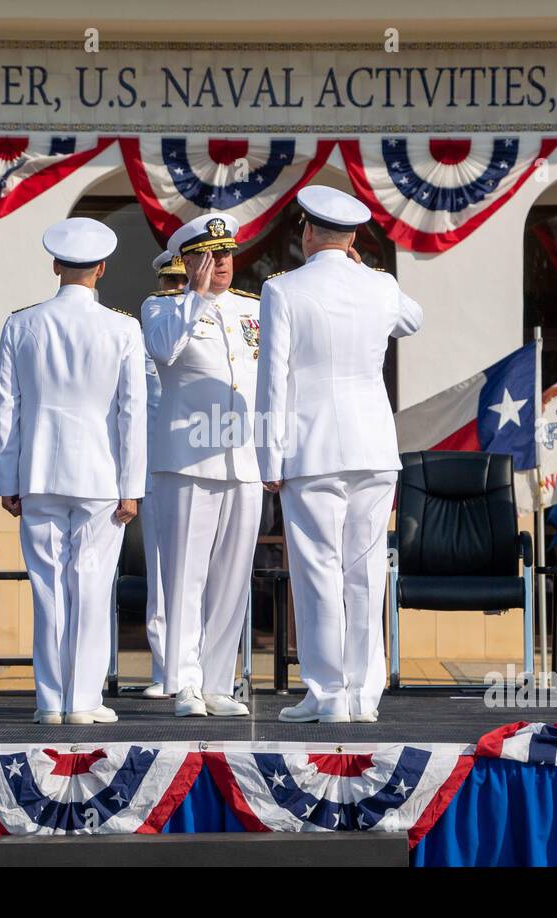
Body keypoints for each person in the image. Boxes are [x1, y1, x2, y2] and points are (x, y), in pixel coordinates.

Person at [256, 185, 423, 723]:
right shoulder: (380, 287)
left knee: (318, 571)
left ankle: (328, 695)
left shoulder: (282, 291)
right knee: (366, 570)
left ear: (306, 233)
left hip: (313, 448)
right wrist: (369, 270)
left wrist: (269, 457)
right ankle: (362, 695)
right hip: (373, 447)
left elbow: (272, 382)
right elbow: (413, 318)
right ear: (353, 238)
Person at [0, 217, 146, 725]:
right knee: (93, 585)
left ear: (55, 265)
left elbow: (5, 409)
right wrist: (132, 486)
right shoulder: (123, 327)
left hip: (38, 472)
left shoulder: (22, 324)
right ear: (101, 269)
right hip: (101, 476)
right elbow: (131, 413)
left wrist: (7, 479)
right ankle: (83, 700)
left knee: (48, 586)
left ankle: (50, 700)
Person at [143, 213, 260, 718]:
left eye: (228, 255)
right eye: (211, 257)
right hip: (188, 461)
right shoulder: (161, 308)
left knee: (232, 579)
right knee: (185, 577)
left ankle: (217, 682)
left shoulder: (254, 309)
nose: (223, 265)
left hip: (245, 457)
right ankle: (184, 682)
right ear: (187, 262)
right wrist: (191, 294)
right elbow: (163, 350)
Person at [136, 251, 187, 699]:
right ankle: (164, 668)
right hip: (154, 463)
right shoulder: (149, 324)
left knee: (201, 572)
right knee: (159, 567)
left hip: (197, 459)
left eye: (181, 284)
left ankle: (203, 670)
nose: (175, 292)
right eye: (170, 284)